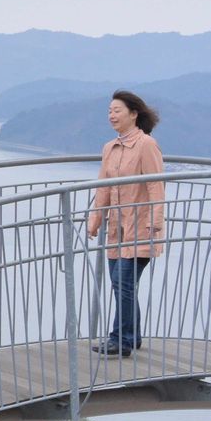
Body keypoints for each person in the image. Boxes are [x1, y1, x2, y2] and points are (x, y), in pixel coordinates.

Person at [88, 90, 165, 357]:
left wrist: (155, 221)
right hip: (117, 229)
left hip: (141, 228)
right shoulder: (110, 148)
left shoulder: (146, 144)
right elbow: (104, 188)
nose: (112, 115)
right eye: (110, 111)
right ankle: (133, 336)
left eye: (117, 110)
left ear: (133, 114)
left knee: (123, 282)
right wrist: (96, 219)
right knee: (121, 284)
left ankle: (120, 340)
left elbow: (156, 184)